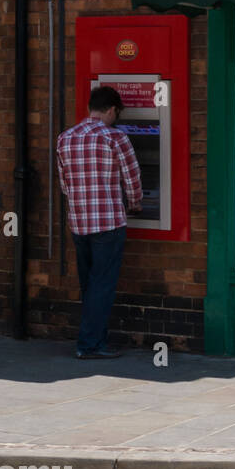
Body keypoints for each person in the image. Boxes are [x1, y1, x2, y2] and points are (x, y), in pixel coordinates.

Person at [57, 85, 142, 360]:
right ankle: (89, 345)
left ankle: (94, 339)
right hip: (108, 222)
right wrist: (136, 203)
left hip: (79, 222)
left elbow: (65, 185)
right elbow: (132, 179)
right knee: (102, 285)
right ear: (112, 110)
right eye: (117, 112)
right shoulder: (115, 138)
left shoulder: (65, 138)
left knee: (90, 285)